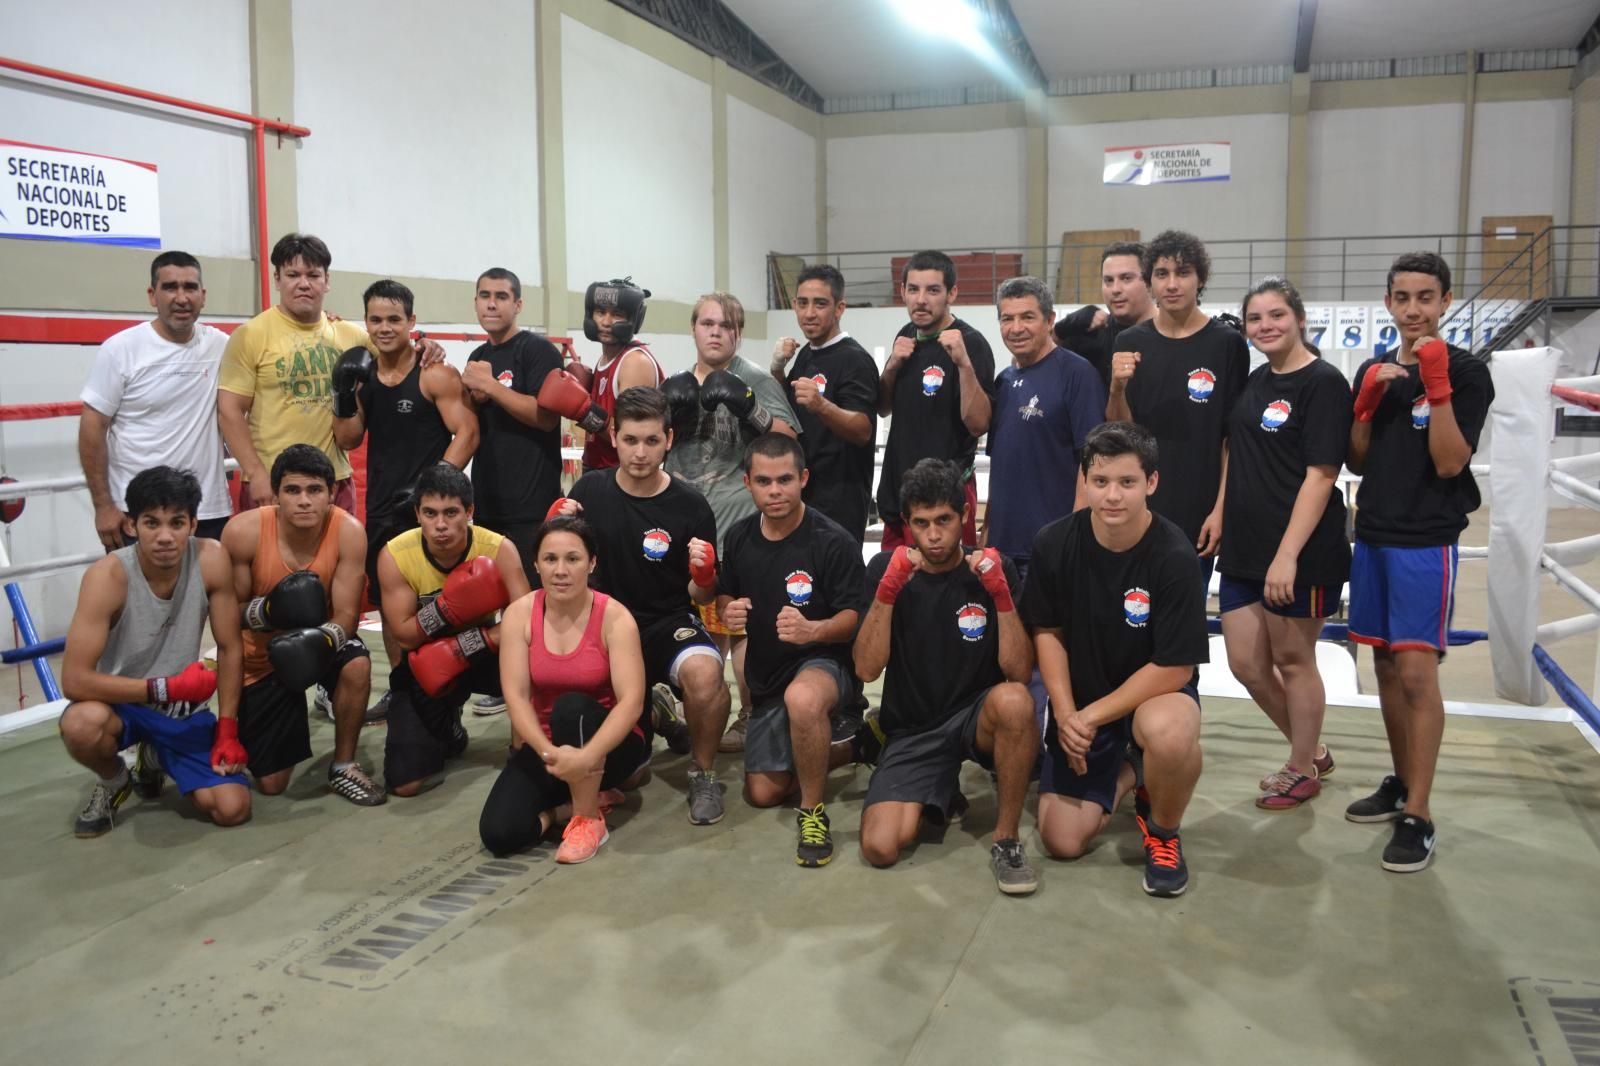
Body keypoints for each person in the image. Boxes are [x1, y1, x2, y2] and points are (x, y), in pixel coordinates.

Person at [1345, 252, 1493, 873]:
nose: (1413, 310)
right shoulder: (1373, 368)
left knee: (1415, 674)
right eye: (1402, 298)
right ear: (1388, 303)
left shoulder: (1467, 371)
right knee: (1383, 667)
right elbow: (1356, 460)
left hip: (1426, 539)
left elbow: (1450, 461)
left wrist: (1436, 385)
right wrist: (1365, 404)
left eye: (1425, 297)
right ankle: (1403, 781)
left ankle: (1421, 814)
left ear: (1445, 301)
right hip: (1373, 533)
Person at [1020, 423, 1208, 898]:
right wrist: (1066, 714)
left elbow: (1176, 667)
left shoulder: (1175, 555)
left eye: (1127, 482)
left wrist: (1089, 717)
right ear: (1084, 480)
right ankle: (1132, 771)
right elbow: (1048, 632)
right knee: (1062, 841)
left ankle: (1163, 832)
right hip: (1085, 699)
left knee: (1170, 733)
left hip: (1153, 696)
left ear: (1152, 482)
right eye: (1101, 481)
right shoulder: (1053, 543)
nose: (1113, 496)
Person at [854, 458, 1040, 895]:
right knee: (880, 847)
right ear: (907, 524)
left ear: (964, 515)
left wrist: (1000, 596)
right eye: (921, 523)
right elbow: (865, 669)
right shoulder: (885, 570)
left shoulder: (992, 569)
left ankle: (1007, 840)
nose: (934, 535)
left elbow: (1019, 671)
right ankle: (939, 784)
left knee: (1016, 702)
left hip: (977, 717)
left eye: (944, 520)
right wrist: (888, 591)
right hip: (915, 727)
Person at [553, 387, 732, 825]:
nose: (640, 452)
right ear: (614, 436)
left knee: (706, 674)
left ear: (668, 439)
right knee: (630, 776)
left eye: (651, 441)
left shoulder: (690, 505)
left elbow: (703, 598)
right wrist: (554, 532)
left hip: (666, 623)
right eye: (631, 440)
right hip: (604, 629)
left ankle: (703, 773)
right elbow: (563, 575)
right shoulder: (590, 492)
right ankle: (655, 712)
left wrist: (705, 578)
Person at [700, 434, 866, 867]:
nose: (775, 491)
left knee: (803, 699)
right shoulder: (739, 537)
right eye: (764, 481)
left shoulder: (833, 541)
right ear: (747, 483)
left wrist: (813, 630)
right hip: (769, 675)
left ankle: (812, 814)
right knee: (762, 792)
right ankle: (858, 745)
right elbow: (725, 593)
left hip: (825, 663)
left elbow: (856, 618)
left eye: (785, 480)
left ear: (804, 479)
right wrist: (729, 609)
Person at [57, 466, 251, 836]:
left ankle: (154, 755)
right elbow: (74, 680)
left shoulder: (211, 559)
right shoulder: (107, 577)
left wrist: (228, 729)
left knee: (232, 809)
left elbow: (230, 648)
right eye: (151, 523)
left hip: (180, 710)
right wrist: (165, 688)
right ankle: (115, 780)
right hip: (122, 703)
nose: (165, 536)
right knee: (80, 725)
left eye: (176, 523)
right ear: (131, 525)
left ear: (193, 524)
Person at [1218, 277, 1352, 810]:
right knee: (1246, 664)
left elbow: (1322, 475)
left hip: (1301, 552)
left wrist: (1287, 555)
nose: (1265, 326)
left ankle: (1300, 769)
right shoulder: (1257, 380)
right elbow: (1236, 452)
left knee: (1294, 659)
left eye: (1276, 315)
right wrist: (1220, 512)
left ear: (1299, 318)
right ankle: (1311, 749)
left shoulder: (1324, 383)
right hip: (1246, 546)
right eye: (1255, 318)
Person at [217, 232, 445, 512]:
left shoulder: (352, 336)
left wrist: (423, 343)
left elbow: (398, 352)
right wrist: (256, 473)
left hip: (334, 480)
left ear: (327, 281)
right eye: (293, 275)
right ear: (277, 279)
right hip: (275, 482)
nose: (304, 283)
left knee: (344, 543)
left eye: (313, 275)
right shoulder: (250, 335)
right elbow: (229, 411)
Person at [664, 292, 799, 753]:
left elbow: (789, 442)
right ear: (694, 329)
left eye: (726, 325)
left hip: (738, 525)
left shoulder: (754, 379)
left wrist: (750, 409)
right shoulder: (677, 383)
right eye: (707, 324)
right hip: (686, 530)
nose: (716, 332)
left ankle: (750, 715)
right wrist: (666, 414)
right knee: (695, 635)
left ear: (738, 333)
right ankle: (698, 715)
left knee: (739, 629)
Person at [332, 279, 478, 690]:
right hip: (382, 508)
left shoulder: (435, 374)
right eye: (376, 319)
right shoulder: (362, 378)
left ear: (411, 321)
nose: (385, 328)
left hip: (432, 514)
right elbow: (347, 439)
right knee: (389, 604)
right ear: (366, 322)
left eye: (394, 319)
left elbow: (468, 433)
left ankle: (447, 692)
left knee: (443, 602)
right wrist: (341, 392)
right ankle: (402, 691)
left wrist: (430, 488)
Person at [478, 516, 651, 864]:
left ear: (592, 563)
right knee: (499, 833)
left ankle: (588, 820)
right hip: (549, 748)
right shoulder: (519, 615)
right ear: (536, 564)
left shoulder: (615, 618)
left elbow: (631, 703)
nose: (561, 570)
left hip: (609, 747)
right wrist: (550, 756)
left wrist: (586, 758)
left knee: (570, 709)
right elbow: (516, 697)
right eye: (550, 559)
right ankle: (568, 808)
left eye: (573, 559)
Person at [220, 444, 382, 806]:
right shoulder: (243, 532)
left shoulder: (348, 532)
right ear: (276, 495)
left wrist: (317, 642)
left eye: (314, 490)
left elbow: (347, 616)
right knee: (272, 784)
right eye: (293, 490)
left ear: (331, 493)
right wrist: (270, 611)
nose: (304, 501)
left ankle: (344, 764)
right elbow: (228, 614)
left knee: (356, 664)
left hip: (323, 641)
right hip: (262, 655)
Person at [374, 463, 532, 797]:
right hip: (425, 661)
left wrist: (472, 643)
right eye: (430, 513)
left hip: (486, 654)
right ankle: (448, 729)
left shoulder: (498, 549)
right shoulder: (395, 555)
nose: (441, 525)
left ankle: (522, 752)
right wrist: (447, 608)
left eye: (451, 513)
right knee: (405, 784)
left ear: (469, 512)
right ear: (417, 514)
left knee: (531, 662)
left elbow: (526, 622)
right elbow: (403, 634)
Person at [1106, 230, 1249, 590]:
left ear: (1200, 279)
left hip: (1198, 515)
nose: (1172, 284)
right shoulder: (1129, 341)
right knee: (1132, 614)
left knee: (1185, 619)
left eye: (1183, 273)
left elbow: (1232, 440)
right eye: (1161, 273)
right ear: (1150, 281)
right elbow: (1123, 433)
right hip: (1140, 511)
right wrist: (1117, 388)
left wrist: (1221, 510)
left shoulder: (1227, 344)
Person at [79, 251, 232, 550]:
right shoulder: (121, 349)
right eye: (170, 287)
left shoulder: (221, 346)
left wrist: (323, 321)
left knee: (210, 581)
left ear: (203, 296)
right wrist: (103, 505)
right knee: (134, 583)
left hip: (206, 510)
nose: (181, 297)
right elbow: (93, 426)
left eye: (190, 287)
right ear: (152, 295)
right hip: (138, 512)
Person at [984, 275, 1106, 580]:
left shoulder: (1077, 374)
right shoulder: (1003, 381)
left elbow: (1092, 461)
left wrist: (1076, 537)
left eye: (1027, 317)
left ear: (1049, 320)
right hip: (1001, 550)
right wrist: (987, 532)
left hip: (1052, 549)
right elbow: (1001, 465)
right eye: (1007, 319)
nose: (1016, 328)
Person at [876, 250, 996, 551]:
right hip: (899, 493)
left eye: (932, 290)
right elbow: (882, 407)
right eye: (913, 289)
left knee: (948, 578)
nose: (921, 300)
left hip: (945, 501)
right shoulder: (906, 336)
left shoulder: (972, 343)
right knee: (893, 577)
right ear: (902, 291)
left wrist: (963, 364)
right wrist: (892, 366)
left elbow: (979, 424)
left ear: (951, 293)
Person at [459, 267, 566, 580]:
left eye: (501, 296)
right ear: (475, 303)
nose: (492, 304)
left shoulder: (538, 351)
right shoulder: (477, 356)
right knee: (491, 596)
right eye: (485, 296)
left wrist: (491, 387)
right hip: (488, 504)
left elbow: (546, 418)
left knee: (533, 596)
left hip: (532, 507)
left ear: (518, 305)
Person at [767, 264, 879, 544]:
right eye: (802, 303)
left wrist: (821, 405)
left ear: (839, 308)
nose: (809, 313)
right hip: (804, 493)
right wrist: (778, 370)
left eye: (820, 304)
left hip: (840, 500)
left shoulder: (855, 360)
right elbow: (792, 409)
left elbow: (863, 430)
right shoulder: (807, 353)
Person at [579, 277, 664, 472]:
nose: (606, 322)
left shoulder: (634, 362)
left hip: (622, 474)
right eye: (600, 312)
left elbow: (633, 436)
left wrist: (583, 412)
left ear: (634, 318)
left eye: (617, 314)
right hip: (598, 468)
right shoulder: (605, 359)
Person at [1052, 241, 1156, 388]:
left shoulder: (1172, 334)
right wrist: (1061, 329)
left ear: (1149, 281)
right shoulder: (1090, 335)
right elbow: (1032, 365)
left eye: (1126, 278)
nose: (1115, 289)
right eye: (1108, 280)